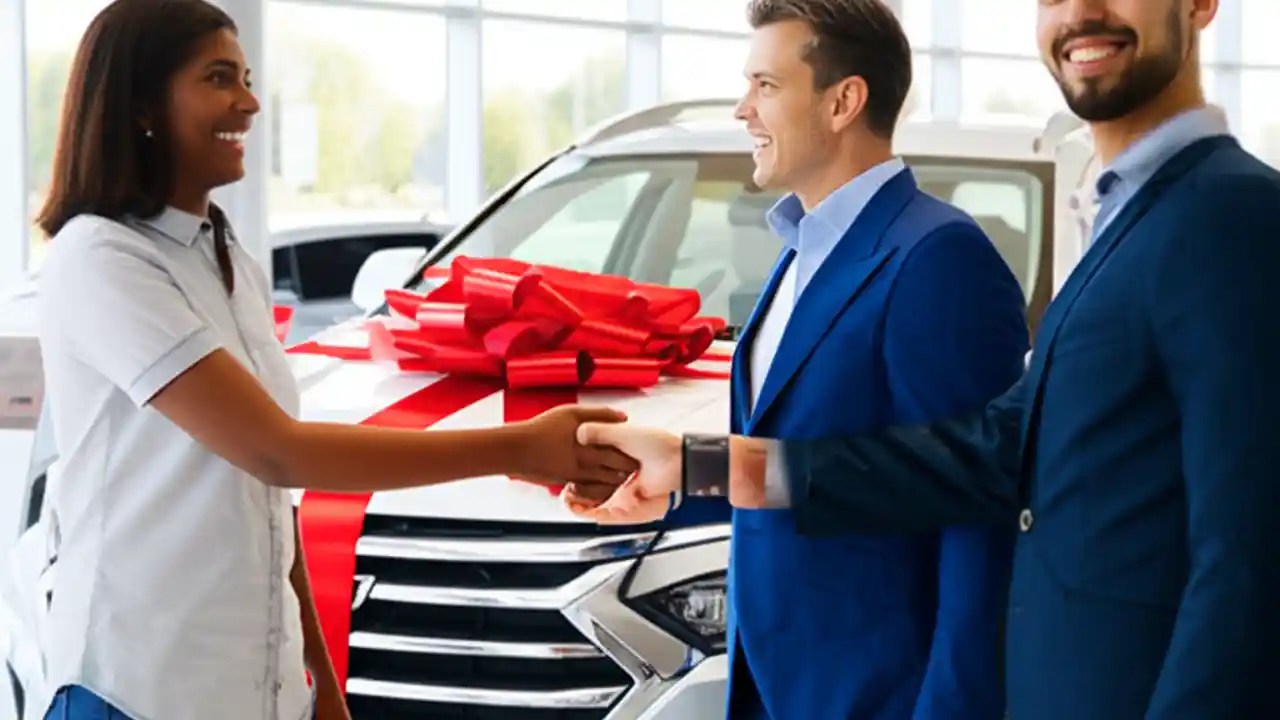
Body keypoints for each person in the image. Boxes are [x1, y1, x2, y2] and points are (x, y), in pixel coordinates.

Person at [568, 1, 1280, 718]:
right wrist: (695, 466)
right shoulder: (1128, 216)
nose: (1081, 11)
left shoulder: (1229, 215)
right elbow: (989, 453)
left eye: (766, 85)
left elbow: (1249, 564)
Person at [31, 2, 635, 719]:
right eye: (219, 78)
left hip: (255, 692)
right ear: (140, 105)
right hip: (140, 685)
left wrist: (319, 679)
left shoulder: (226, 259)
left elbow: (265, 503)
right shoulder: (102, 259)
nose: (251, 102)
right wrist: (522, 447)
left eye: (248, 77)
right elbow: (278, 452)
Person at [576, 1, 1029, 718]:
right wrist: (676, 473)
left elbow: (980, 510)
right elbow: (807, 459)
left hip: (880, 693)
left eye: (765, 86)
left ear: (844, 100)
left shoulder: (938, 258)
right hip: (773, 678)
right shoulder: (799, 251)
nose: (742, 109)